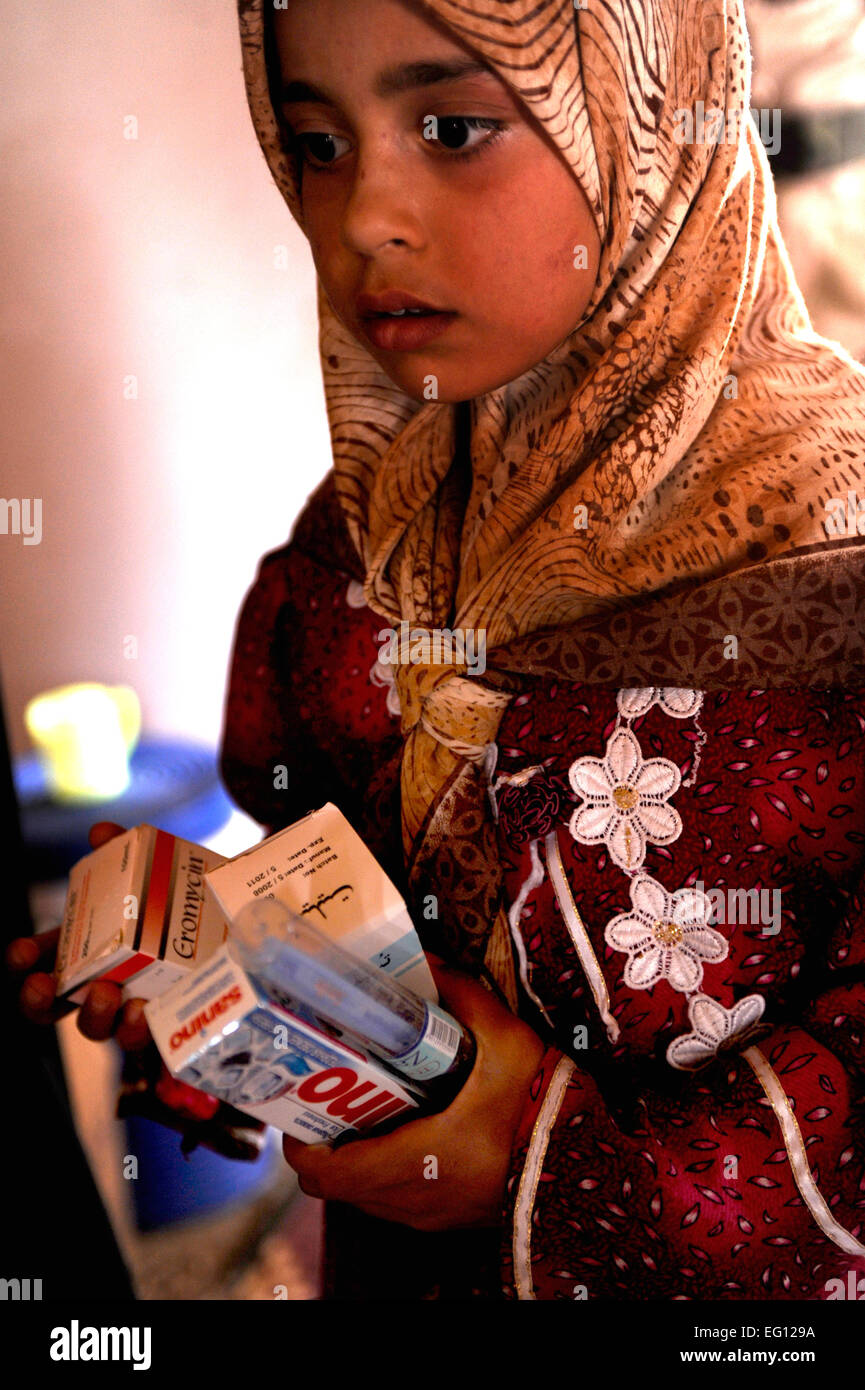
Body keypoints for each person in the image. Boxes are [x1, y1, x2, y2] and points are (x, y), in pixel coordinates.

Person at [9, 0, 865, 1301]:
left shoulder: (837, 565)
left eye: (455, 126)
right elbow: (371, 912)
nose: (359, 219)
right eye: (314, 143)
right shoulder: (364, 538)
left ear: (643, 118)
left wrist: (544, 1157)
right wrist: (244, 982)